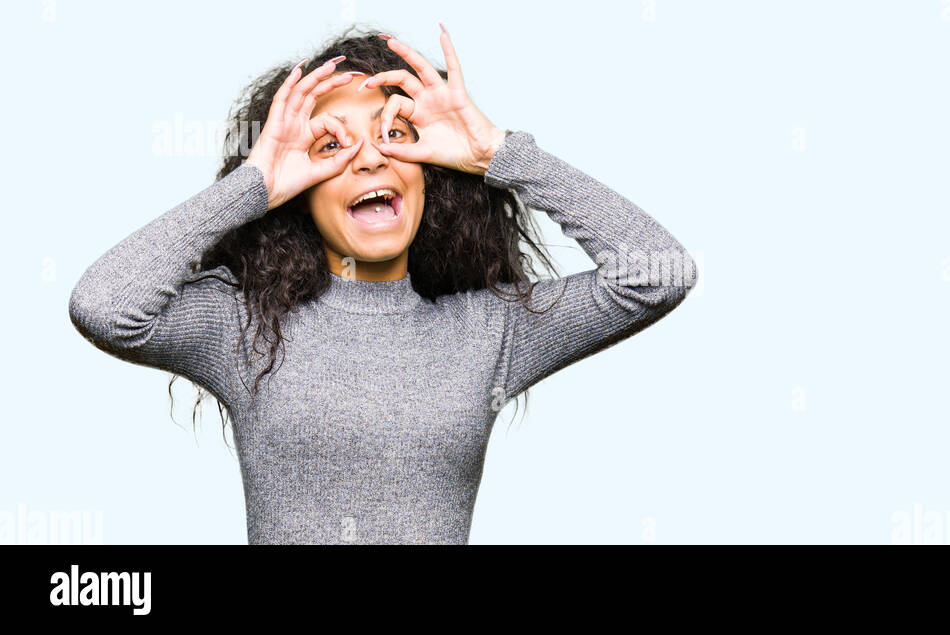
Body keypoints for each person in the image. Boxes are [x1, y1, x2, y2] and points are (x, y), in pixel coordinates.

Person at [67, 24, 697, 544]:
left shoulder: (488, 328)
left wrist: (498, 153)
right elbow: (105, 307)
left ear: (430, 173)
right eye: (330, 147)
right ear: (301, 193)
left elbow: (657, 273)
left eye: (397, 135)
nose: (370, 157)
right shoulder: (243, 325)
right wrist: (254, 184)